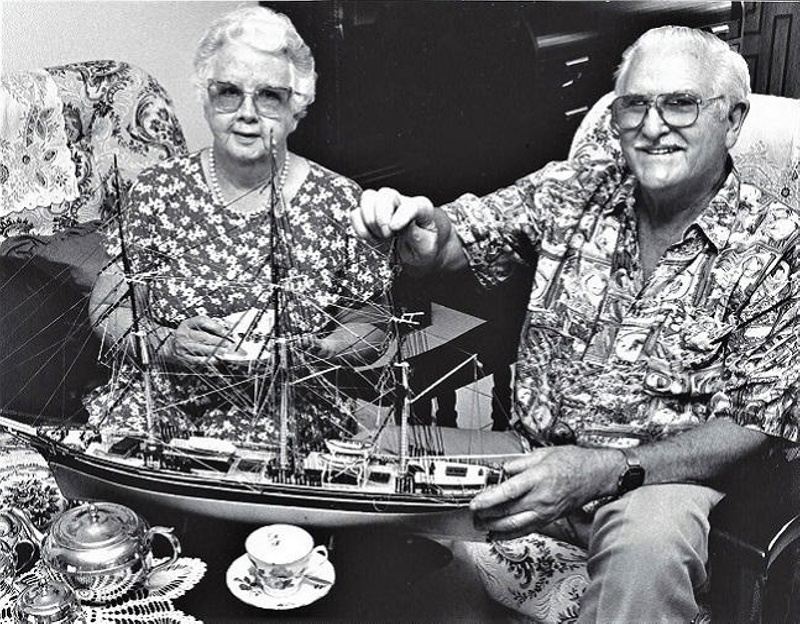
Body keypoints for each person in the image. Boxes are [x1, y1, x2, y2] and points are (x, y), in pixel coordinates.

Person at [351, 26, 800, 622]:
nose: (652, 125)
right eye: (634, 104)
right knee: (352, 456)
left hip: (653, 485)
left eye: (680, 103)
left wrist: (605, 471)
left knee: (649, 545)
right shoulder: (577, 187)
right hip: (531, 458)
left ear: (733, 121)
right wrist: (426, 233)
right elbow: (468, 233)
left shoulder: (776, 245)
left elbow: (751, 424)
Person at [86, 6, 390, 450]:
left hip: (284, 401)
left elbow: (372, 324)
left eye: (269, 96)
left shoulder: (339, 200)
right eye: (229, 92)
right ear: (207, 100)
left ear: (296, 107)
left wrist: (320, 351)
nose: (247, 113)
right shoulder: (157, 190)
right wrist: (167, 343)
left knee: (249, 468)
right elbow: (108, 307)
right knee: (126, 462)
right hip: (161, 394)